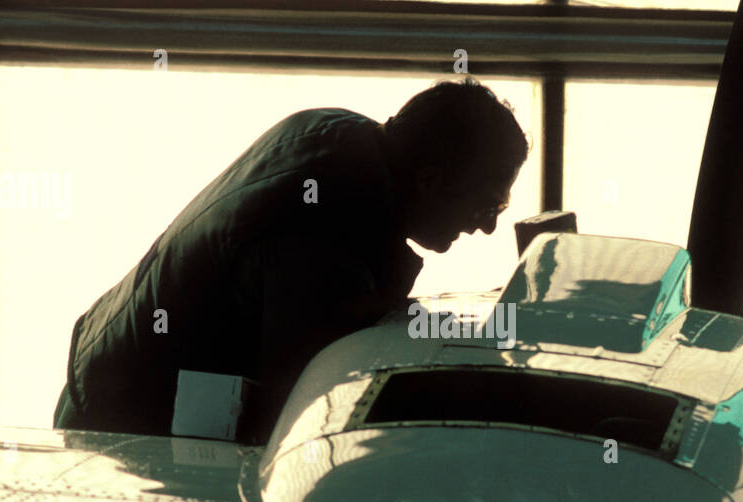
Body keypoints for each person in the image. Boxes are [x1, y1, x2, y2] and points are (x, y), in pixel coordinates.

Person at [53, 76, 528, 444]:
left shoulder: (341, 133)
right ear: (430, 180)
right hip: (124, 427)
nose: (486, 227)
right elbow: (306, 412)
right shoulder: (329, 232)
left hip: (112, 380)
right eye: (489, 206)